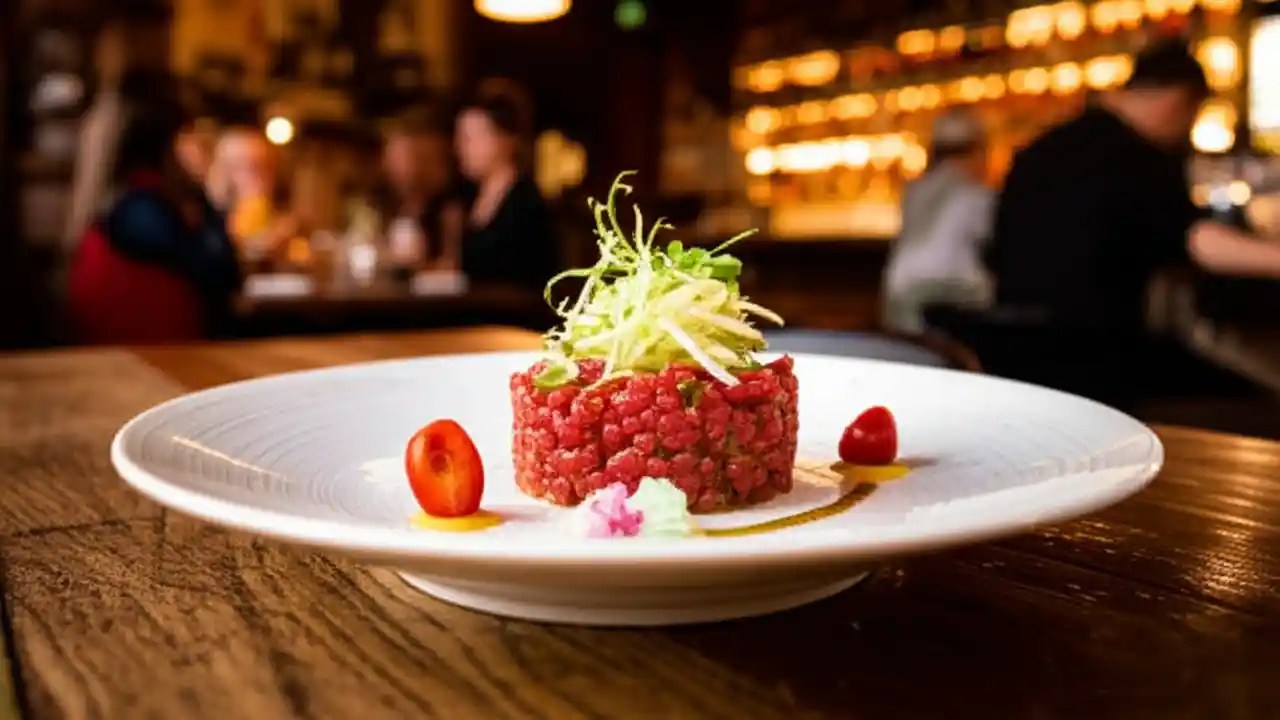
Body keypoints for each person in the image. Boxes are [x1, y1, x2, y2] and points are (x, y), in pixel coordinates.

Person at [989, 38, 1280, 332]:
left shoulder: (1045, 147)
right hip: (1089, 349)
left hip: (1014, 342)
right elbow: (1199, 241)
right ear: (1178, 101)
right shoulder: (1138, 156)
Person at [66, 82, 241, 344]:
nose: (203, 150)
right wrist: (211, 193)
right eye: (190, 138)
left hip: (160, 350)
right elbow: (220, 271)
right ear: (168, 148)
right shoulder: (139, 209)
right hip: (147, 356)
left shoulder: (142, 201)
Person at [882, 110, 995, 334]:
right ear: (975, 152)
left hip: (896, 301)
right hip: (944, 305)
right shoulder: (976, 195)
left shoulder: (914, 192)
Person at [454, 87, 560, 290]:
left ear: (505, 140)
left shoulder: (525, 203)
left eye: (471, 137)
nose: (461, 147)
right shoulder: (467, 198)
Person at [379, 110, 463, 271]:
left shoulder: (449, 211)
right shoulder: (393, 203)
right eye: (391, 157)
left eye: (401, 157)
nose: (388, 165)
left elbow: (451, 267)